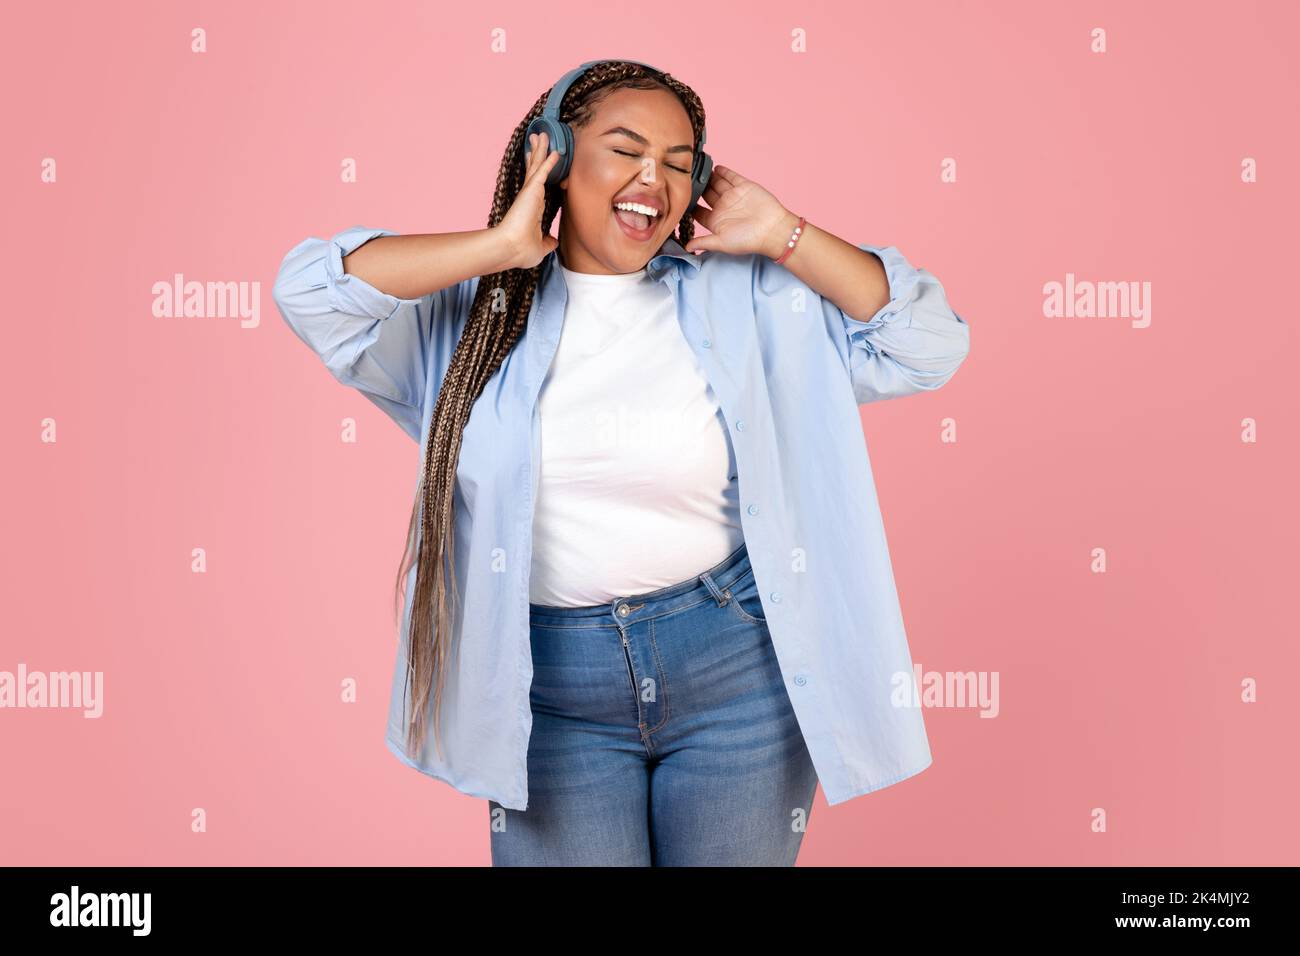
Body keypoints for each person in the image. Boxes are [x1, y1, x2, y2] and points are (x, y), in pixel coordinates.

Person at [272, 59, 971, 866]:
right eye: (626, 150)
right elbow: (313, 292)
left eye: (680, 163)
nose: (655, 179)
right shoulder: (468, 320)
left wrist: (786, 232)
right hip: (547, 695)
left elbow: (930, 343)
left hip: (737, 672)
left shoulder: (749, 298)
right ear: (556, 161)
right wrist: (500, 245)